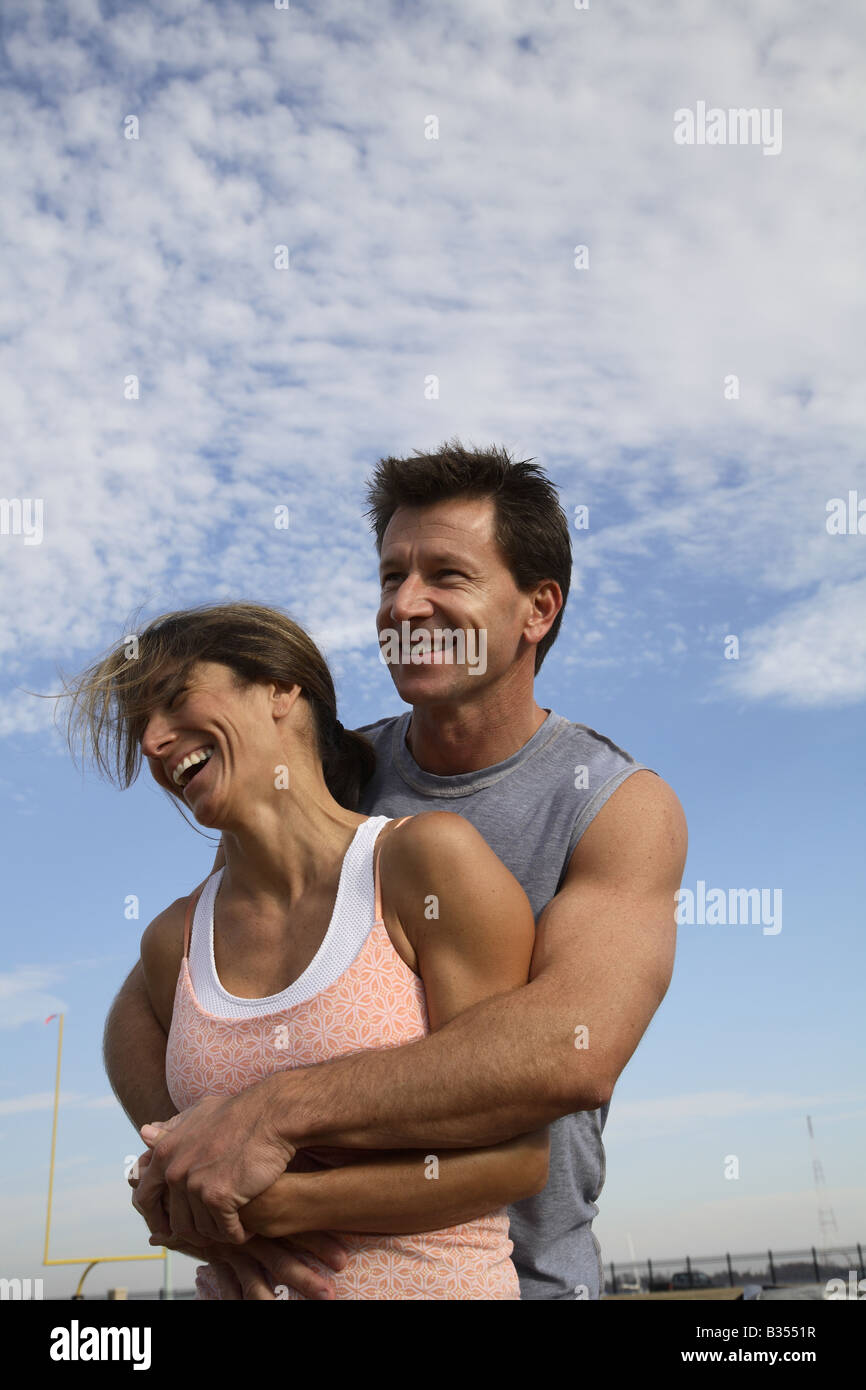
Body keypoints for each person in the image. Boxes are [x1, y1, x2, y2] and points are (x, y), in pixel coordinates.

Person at [108, 441, 687, 1301]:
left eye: (445, 575)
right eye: (389, 577)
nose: (405, 605)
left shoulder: (615, 807)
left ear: (537, 608)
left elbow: (569, 1052)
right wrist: (202, 1176)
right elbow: (148, 1008)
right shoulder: (321, 774)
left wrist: (269, 1116)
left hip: (519, 1279)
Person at [64, 600, 549, 1299]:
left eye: (173, 700)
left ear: (280, 687)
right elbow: (172, 1151)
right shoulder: (173, 939)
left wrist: (272, 1212)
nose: (152, 742)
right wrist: (171, 1194)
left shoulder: (424, 863)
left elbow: (518, 1162)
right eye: (141, 727)